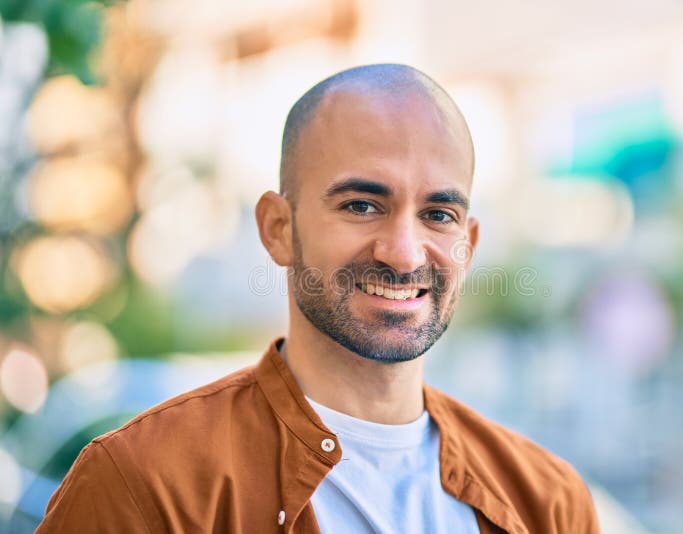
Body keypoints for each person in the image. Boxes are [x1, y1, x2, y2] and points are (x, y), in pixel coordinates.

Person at [37, 64, 599, 533]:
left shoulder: (548, 503)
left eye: (438, 214)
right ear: (279, 228)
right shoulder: (145, 486)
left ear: (468, 245)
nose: (403, 254)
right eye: (361, 205)